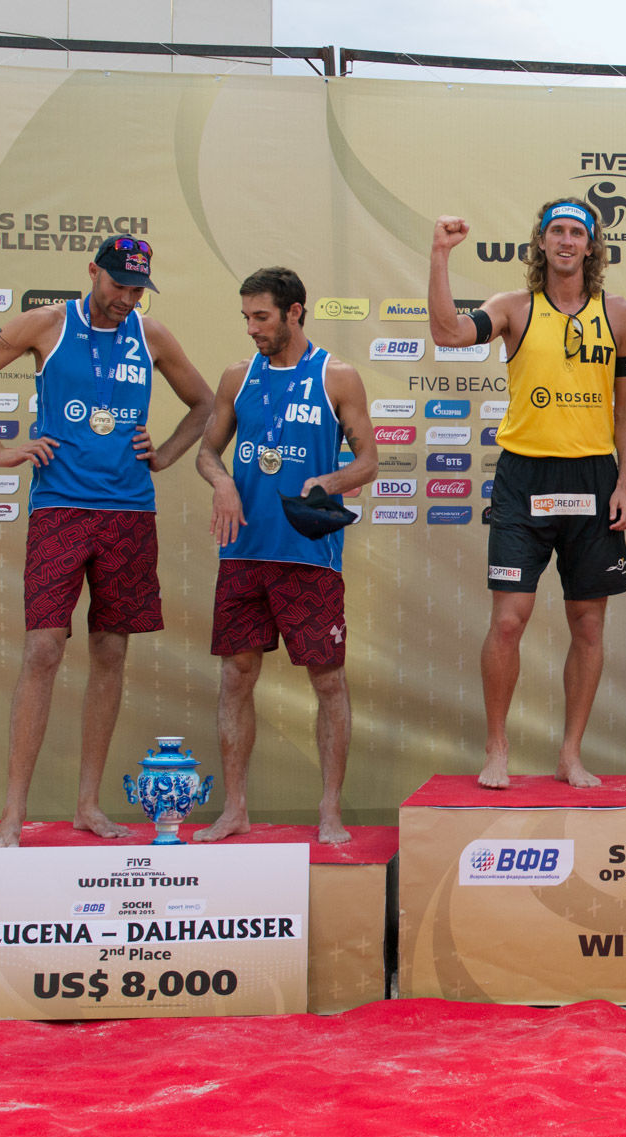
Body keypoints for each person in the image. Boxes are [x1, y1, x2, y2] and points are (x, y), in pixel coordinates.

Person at [0, 236, 213, 848]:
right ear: (92, 272)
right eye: (118, 285)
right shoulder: (46, 324)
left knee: (110, 653)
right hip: (60, 507)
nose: (126, 299)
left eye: (137, 289)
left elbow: (204, 404)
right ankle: (13, 814)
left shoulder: (151, 335)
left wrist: (164, 453)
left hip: (129, 512)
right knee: (42, 650)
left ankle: (87, 804)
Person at [429, 199, 626, 789]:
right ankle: (497, 748)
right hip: (525, 479)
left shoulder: (621, 315)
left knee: (589, 626)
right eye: (557, 231)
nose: (566, 241)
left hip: (594, 480)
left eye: (577, 232)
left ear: (592, 246)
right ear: (541, 243)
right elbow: (448, 333)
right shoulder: (513, 308)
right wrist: (440, 255)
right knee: (508, 621)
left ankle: (570, 754)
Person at [194, 268, 376, 845]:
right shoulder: (236, 376)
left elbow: (368, 462)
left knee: (327, 681)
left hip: (309, 555)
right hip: (243, 552)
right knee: (236, 676)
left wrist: (328, 481)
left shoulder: (336, 376)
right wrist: (222, 481)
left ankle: (330, 811)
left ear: (295, 312)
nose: (251, 328)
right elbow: (206, 452)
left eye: (262, 317)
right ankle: (235, 809)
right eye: (246, 317)